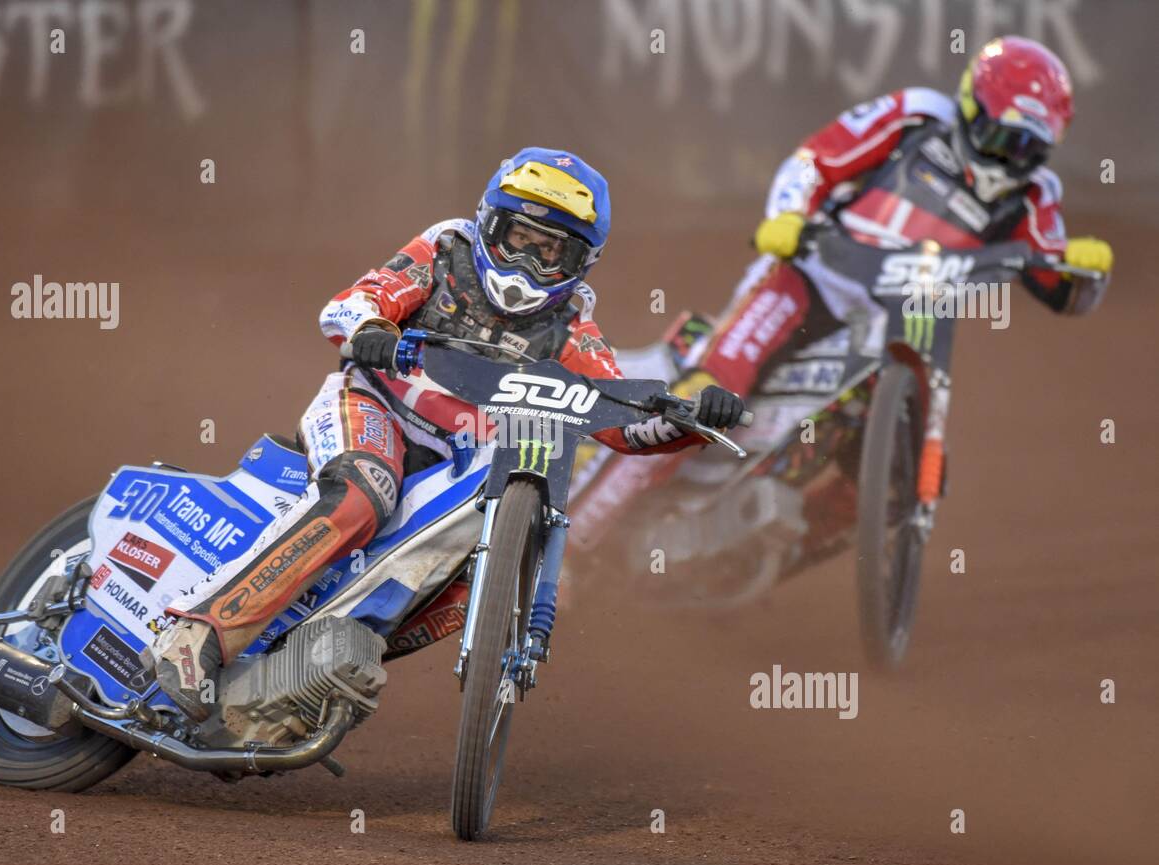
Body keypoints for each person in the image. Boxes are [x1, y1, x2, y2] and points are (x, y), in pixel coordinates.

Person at [148, 147, 747, 720]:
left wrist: (690, 421)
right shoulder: (445, 249)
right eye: (519, 240)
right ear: (491, 225)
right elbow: (349, 304)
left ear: (579, 265)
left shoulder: (570, 323)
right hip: (373, 403)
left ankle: (307, 674)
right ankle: (199, 634)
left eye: (550, 253)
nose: (526, 266)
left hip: (461, 457)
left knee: (478, 580)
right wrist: (374, 329)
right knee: (366, 490)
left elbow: (616, 416)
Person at [569, 36, 1114, 549]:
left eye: (1028, 149)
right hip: (815, 276)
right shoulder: (919, 115)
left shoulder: (1036, 194)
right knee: (705, 392)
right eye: (1002, 138)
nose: (1008, 160)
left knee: (904, 481)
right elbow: (816, 160)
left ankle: (771, 545)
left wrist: (1085, 273)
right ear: (972, 107)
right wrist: (787, 216)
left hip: (906, 320)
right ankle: (570, 543)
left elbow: (1060, 281)